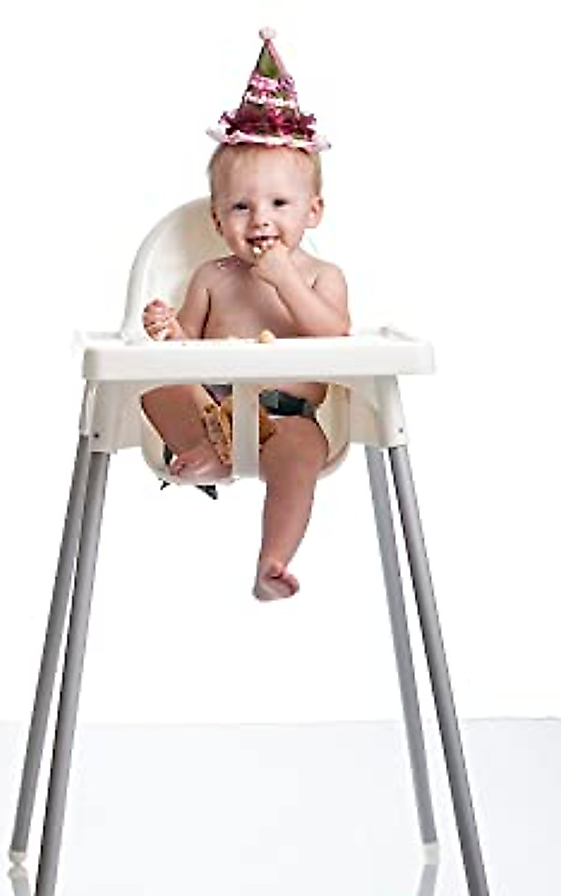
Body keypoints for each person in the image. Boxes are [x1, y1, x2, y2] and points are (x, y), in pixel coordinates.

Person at [139, 29, 350, 602]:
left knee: (301, 458)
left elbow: (335, 336)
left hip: (287, 419)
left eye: (279, 204)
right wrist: (170, 330)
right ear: (217, 219)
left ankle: (272, 559)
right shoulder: (212, 277)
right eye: (240, 205)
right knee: (156, 391)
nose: (259, 219)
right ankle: (207, 452)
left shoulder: (321, 278)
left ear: (313, 211)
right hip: (214, 409)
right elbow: (185, 349)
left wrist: (286, 281)